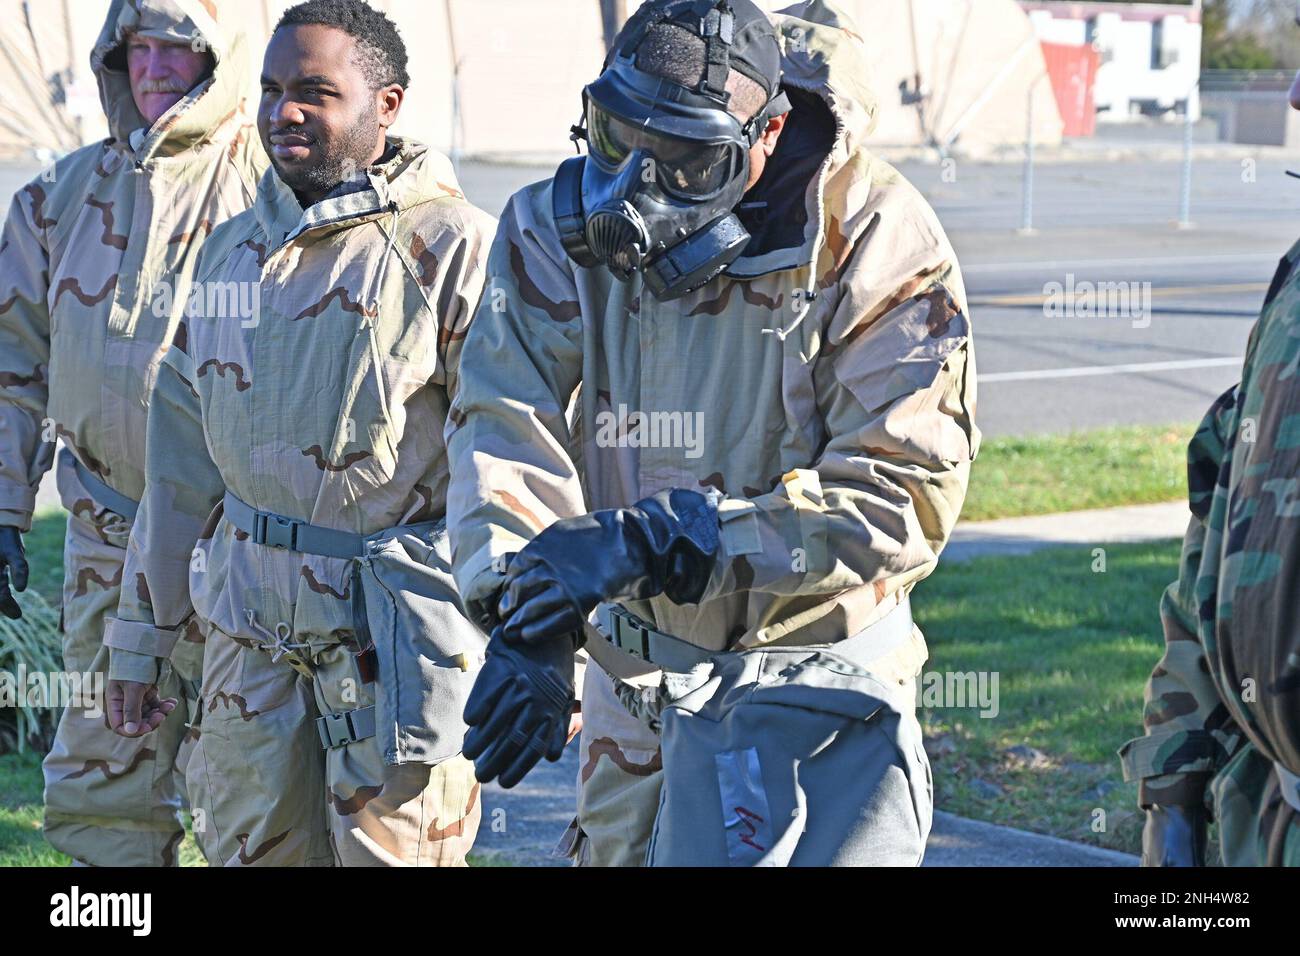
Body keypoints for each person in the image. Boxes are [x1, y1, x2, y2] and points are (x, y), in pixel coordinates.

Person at [446, 0, 977, 866]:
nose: (634, 192)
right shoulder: (553, 226)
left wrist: (671, 541)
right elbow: (504, 416)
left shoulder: (875, 236)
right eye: (618, 139)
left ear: (765, 135)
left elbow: (902, 494)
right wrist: (529, 606)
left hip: (811, 699)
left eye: (690, 160)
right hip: (637, 703)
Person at [103, 0, 496, 867]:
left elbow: (513, 458)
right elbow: (178, 474)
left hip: (391, 646)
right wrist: (143, 638)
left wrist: (540, 642)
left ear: (385, 105)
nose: (283, 111)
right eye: (274, 89)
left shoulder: (452, 250)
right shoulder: (229, 254)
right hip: (249, 655)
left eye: (316, 92)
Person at [0, 0, 264, 867]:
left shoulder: (279, 189)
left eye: (177, 49)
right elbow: (11, 366)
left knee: (251, 799)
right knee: (104, 786)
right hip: (106, 542)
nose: (152, 68)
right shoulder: (56, 200)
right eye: (135, 48)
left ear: (218, 60)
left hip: (240, 555)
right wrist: (5, 512)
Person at [1118, 68, 1300, 871]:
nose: (1292, 95)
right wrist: (1174, 784)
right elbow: (1222, 530)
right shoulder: (1297, 278)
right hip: (1264, 815)